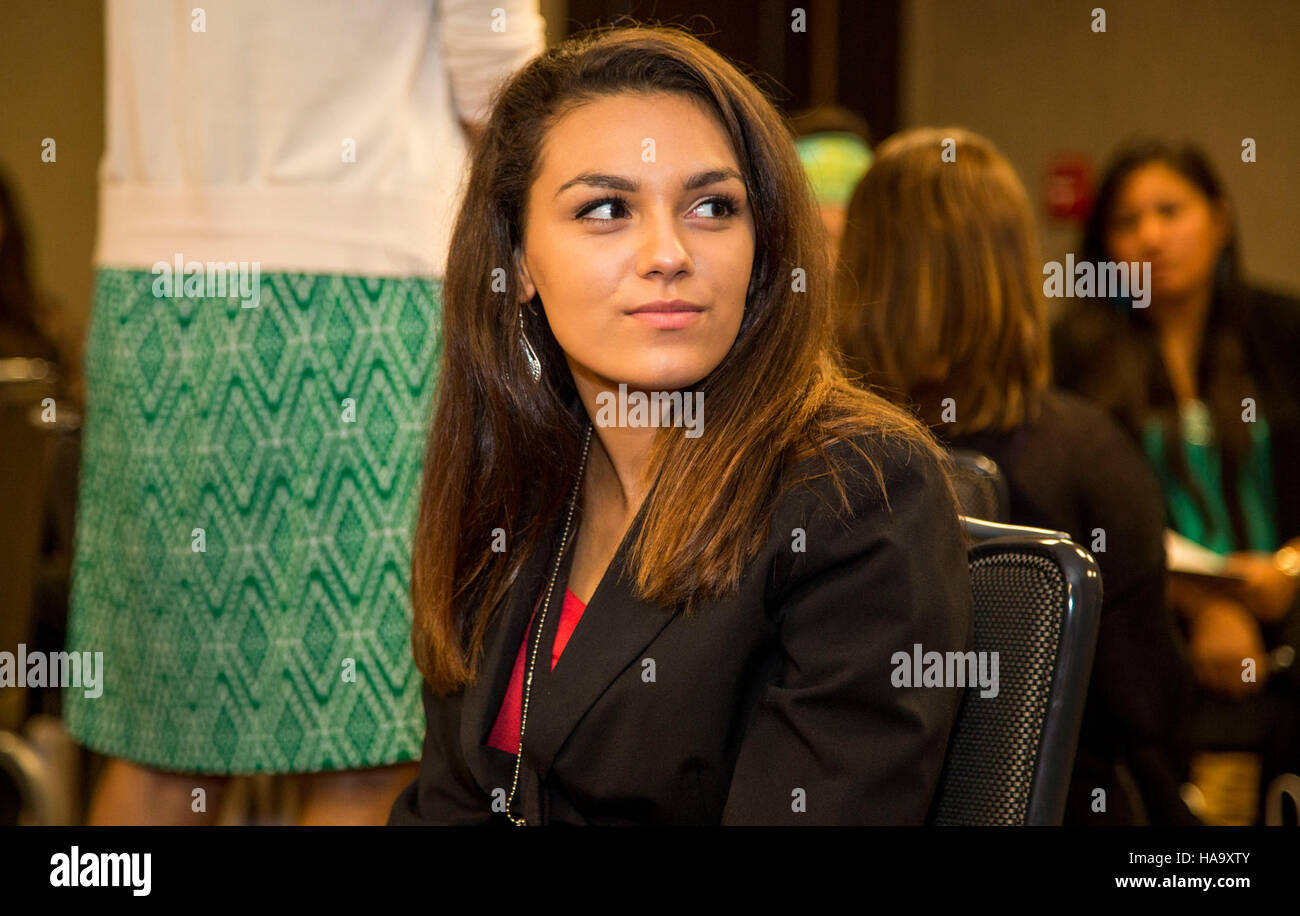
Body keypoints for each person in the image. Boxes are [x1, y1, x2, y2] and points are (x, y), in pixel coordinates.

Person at [387, 25, 973, 826]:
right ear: (518, 262)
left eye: (712, 207)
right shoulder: (514, 489)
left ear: (762, 247)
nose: (668, 253)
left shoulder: (858, 493)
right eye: (605, 208)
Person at [62, 0, 546, 825]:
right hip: (366, 282)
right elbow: (502, 85)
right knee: (360, 747)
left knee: (156, 749)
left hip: (156, 286)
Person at [835, 127, 1198, 824]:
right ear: (1009, 264)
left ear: (863, 260)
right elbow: (1149, 706)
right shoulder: (1087, 451)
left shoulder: (809, 454)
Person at [1052, 138, 1300, 819]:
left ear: (1219, 220)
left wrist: (1288, 567)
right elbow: (1064, 513)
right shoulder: (1070, 354)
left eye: (1170, 211)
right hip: (1143, 646)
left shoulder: (1282, 332)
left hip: (1285, 631)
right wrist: (1203, 602)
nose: (1151, 237)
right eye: (1127, 222)